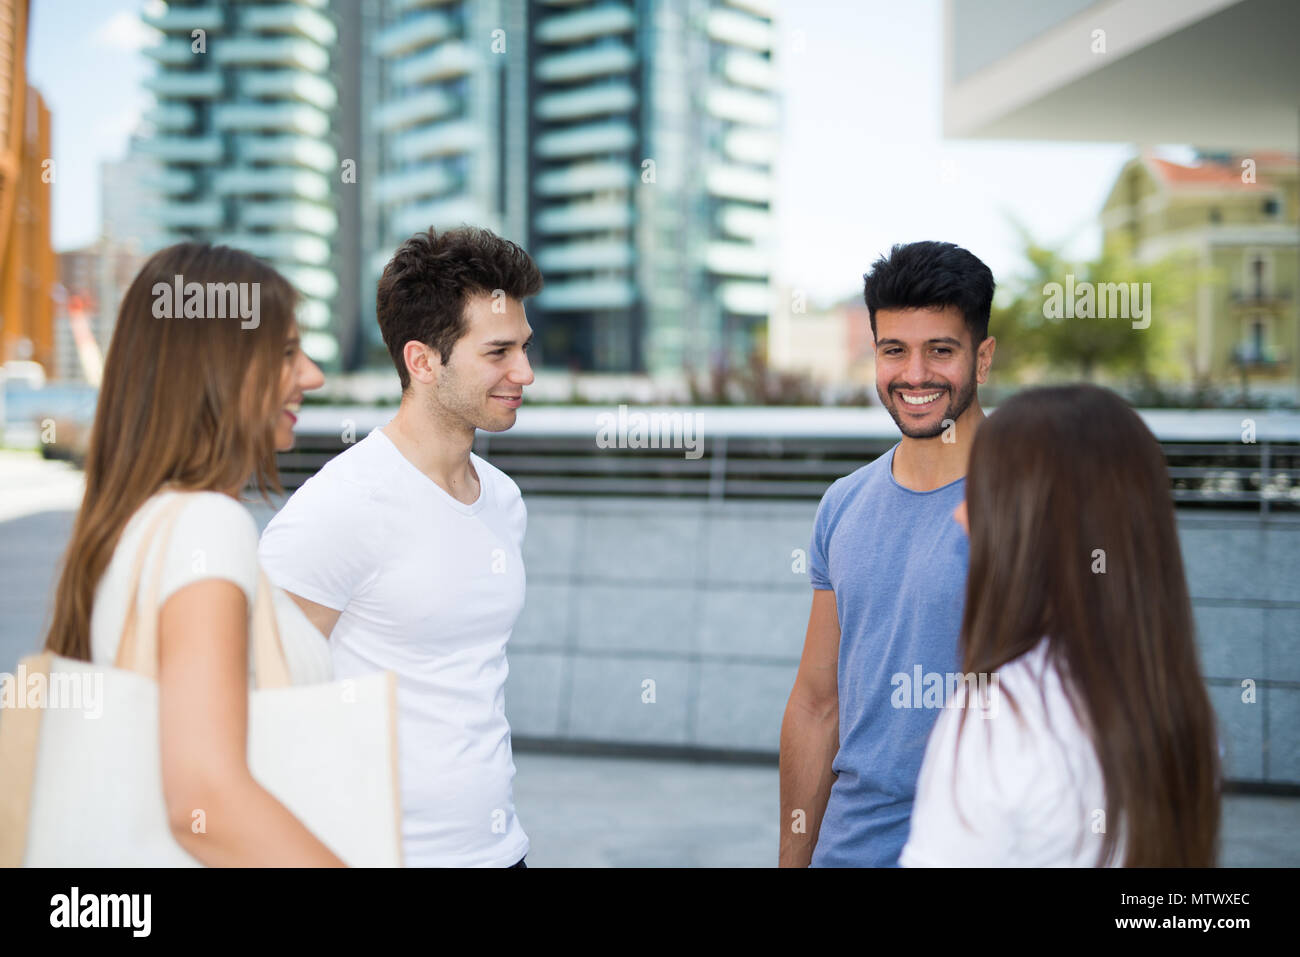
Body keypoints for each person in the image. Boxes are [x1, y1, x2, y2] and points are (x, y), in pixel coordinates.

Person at [44, 242, 341, 866]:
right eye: (287, 353)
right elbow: (204, 804)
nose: (312, 375)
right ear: (216, 366)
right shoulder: (207, 524)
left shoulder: (138, 524)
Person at [257, 226, 541, 868]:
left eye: (524, 347)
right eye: (498, 352)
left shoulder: (503, 500)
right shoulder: (339, 507)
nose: (525, 372)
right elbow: (255, 706)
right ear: (422, 361)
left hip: (502, 853)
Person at [900, 384, 1221, 866]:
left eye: (984, 491)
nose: (961, 514)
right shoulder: (1182, 710)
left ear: (1035, 524)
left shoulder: (997, 719)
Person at [779, 240, 997, 867]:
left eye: (941, 350)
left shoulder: (1037, 499)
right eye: (894, 349)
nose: (915, 374)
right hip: (851, 848)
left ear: (982, 359)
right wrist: (794, 859)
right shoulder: (844, 504)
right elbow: (817, 706)